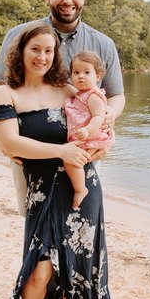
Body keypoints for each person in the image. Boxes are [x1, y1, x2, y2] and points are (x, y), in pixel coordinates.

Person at [0, 22, 112, 299]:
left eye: (49, 51)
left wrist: (107, 142)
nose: (42, 56)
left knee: (78, 255)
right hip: (41, 191)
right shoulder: (6, 93)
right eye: (36, 49)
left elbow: (99, 115)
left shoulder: (66, 89)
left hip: (82, 185)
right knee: (39, 268)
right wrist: (60, 150)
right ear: (21, 52)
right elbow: (11, 142)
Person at [0, 0, 125, 215]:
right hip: (32, 151)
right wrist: (6, 138)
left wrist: (107, 121)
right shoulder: (19, 36)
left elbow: (116, 95)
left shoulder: (104, 44)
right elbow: (2, 88)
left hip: (82, 149)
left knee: (81, 220)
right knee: (37, 223)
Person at [64, 51, 115, 208]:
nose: (81, 76)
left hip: (90, 136)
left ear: (98, 76)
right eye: (76, 72)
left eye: (87, 72)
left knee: (71, 161)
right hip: (84, 135)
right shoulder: (81, 94)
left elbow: (98, 117)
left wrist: (87, 130)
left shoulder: (93, 95)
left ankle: (80, 189)